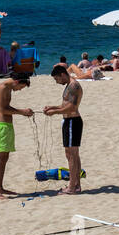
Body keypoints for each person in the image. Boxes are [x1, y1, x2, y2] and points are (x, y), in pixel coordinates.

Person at [0, 71, 34, 199]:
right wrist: (23, 112)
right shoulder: (4, 88)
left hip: (6, 126)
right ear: (16, 82)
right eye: (21, 87)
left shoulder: (8, 87)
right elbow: (3, 109)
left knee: (4, 158)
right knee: (0, 158)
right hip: (1, 126)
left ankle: (0, 187)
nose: (19, 90)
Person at [44, 64, 85, 195]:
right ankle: (76, 184)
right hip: (68, 121)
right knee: (70, 154)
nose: (57, 82)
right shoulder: (69, 85)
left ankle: (72, 187)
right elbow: (65, 104)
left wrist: (55, 113)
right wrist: (53, 107)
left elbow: (72, 107)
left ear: (62, 75)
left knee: (72, 155)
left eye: (57, 79)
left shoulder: (74, 85)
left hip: (73, 121)